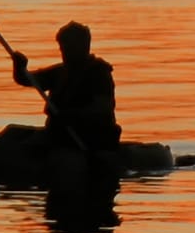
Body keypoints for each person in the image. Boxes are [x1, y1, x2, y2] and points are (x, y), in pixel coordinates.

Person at [11, 21, 121, 151]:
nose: (64, 52)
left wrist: (71, 116)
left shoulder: (98, 73)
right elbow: (27, 79)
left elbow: (103, 108)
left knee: (30, 146)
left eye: (69, 47)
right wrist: (19, 67)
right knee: (13, 132)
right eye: (63, 48)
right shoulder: (60, 72)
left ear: (84, 46)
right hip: (59, 133)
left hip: (87, 137)